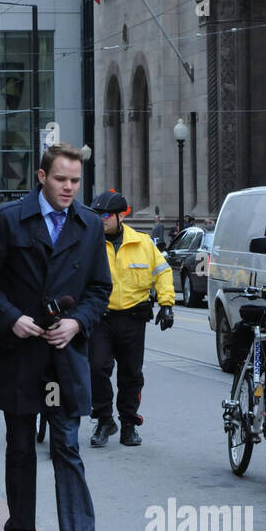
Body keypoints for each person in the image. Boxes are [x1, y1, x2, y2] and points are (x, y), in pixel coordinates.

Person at [0, 143, 111, 531]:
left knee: (67, 445)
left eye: (75, 181)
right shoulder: (9, 219)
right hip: (20, 354)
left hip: (63, 356)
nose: (69, 187)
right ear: (42, 176)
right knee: (21, 445)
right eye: (61, 179)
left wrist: (78, 323)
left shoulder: (89, 225)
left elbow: (99, 289)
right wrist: (11, 318)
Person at [87, 191, 176, 449]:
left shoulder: (142, 243)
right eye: (97, 214)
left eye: (105, 215)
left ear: (120, 216)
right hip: (100, 318)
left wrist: (167, 304)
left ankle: (128, 424)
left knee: (131, 374)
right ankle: (104, 420)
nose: (101, 219)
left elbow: (163, 272)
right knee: (96, 369)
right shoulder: (89, 243)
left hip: (133, 318)